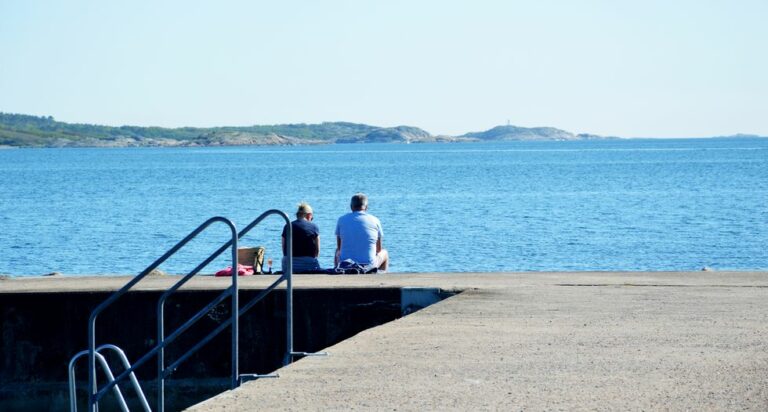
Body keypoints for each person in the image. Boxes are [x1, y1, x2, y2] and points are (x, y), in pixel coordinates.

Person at [335, 193, 389, 271]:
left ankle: (339, 271)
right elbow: (379, 249)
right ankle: (381, 275)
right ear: (366, 207)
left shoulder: (341, 220)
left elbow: (339, 247)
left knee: (337, 251)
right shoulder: (375, 220)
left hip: (345, 264)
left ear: (351, 207)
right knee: (384, 252)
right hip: (369, 264)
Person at [282, 202, 321, 273]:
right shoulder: (314, 227)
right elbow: (317, 251)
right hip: (308, 265)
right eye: (312, 218)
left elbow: (284, 249)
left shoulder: (287, 226)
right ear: (309, 215)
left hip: (288, 265)